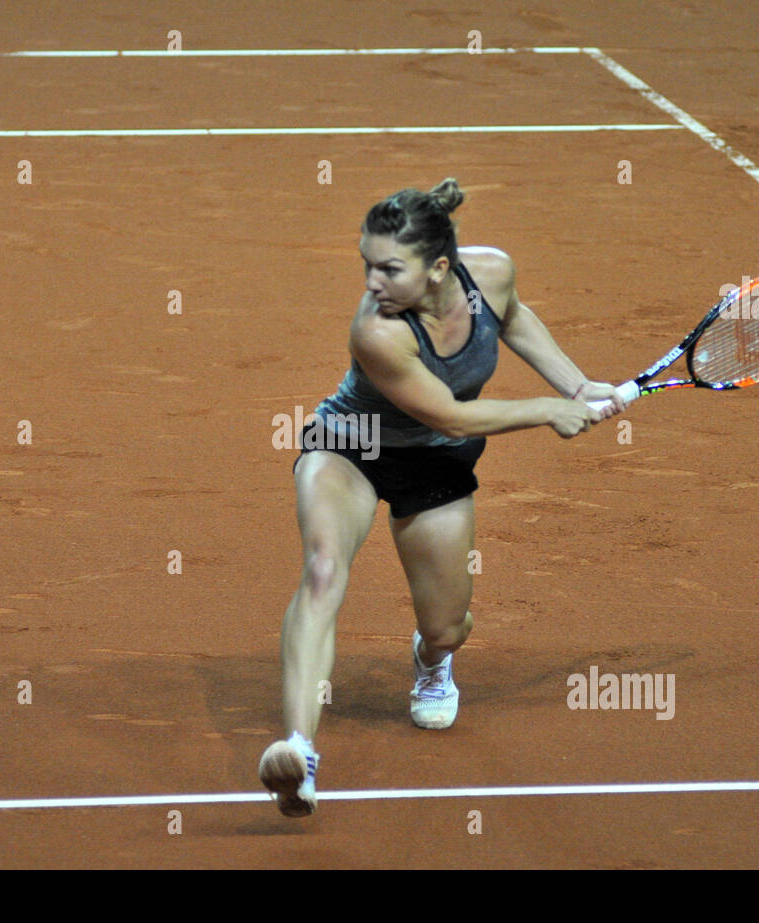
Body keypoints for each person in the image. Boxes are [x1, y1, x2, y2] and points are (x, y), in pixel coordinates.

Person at [258, 178, 627, 817]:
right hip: (353, 446)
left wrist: (574, 385)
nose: (371, 283)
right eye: (366, 265)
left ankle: (431, 660)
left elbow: (512, 316)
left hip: (435, 464)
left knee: (447, 625)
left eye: (388, 269)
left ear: (438, 268)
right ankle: (298, 750)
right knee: (322, 571)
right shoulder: (376, 332)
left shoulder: (492, 273)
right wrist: (547, 409)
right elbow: (452, 417)